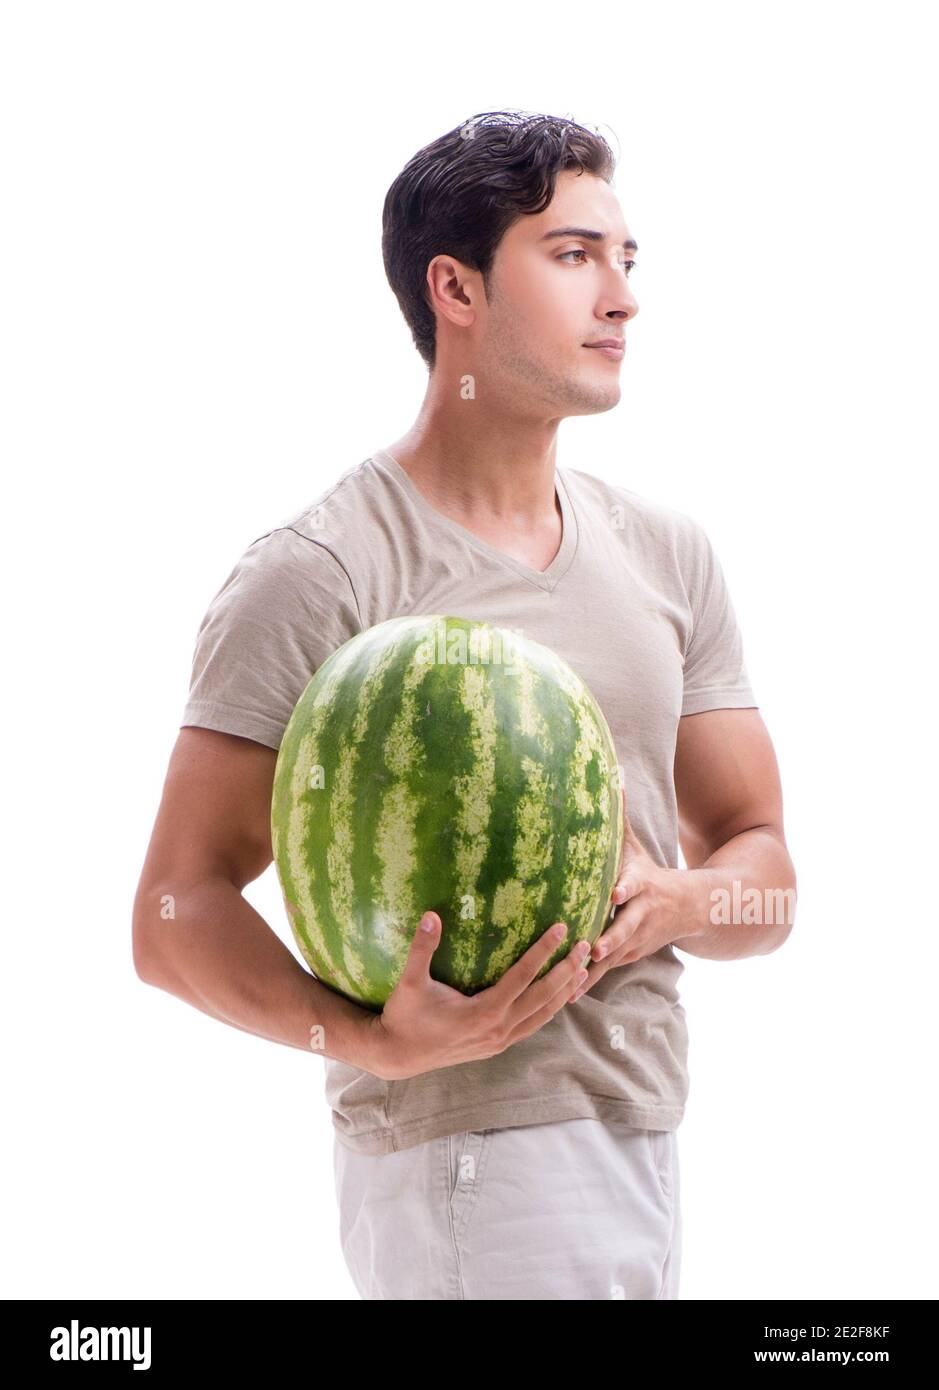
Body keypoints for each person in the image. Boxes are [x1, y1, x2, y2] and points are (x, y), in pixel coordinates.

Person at [133, 110, 796, 1300]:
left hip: (642, 1130)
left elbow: (769, 885)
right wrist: (370, 1041)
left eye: (627, 259)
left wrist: (677, 900)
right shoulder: (324, 567)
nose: (623, 297)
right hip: (466, 1160)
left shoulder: (666, 552)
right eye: (573, 253)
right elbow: (173, 910)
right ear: (457, 289)